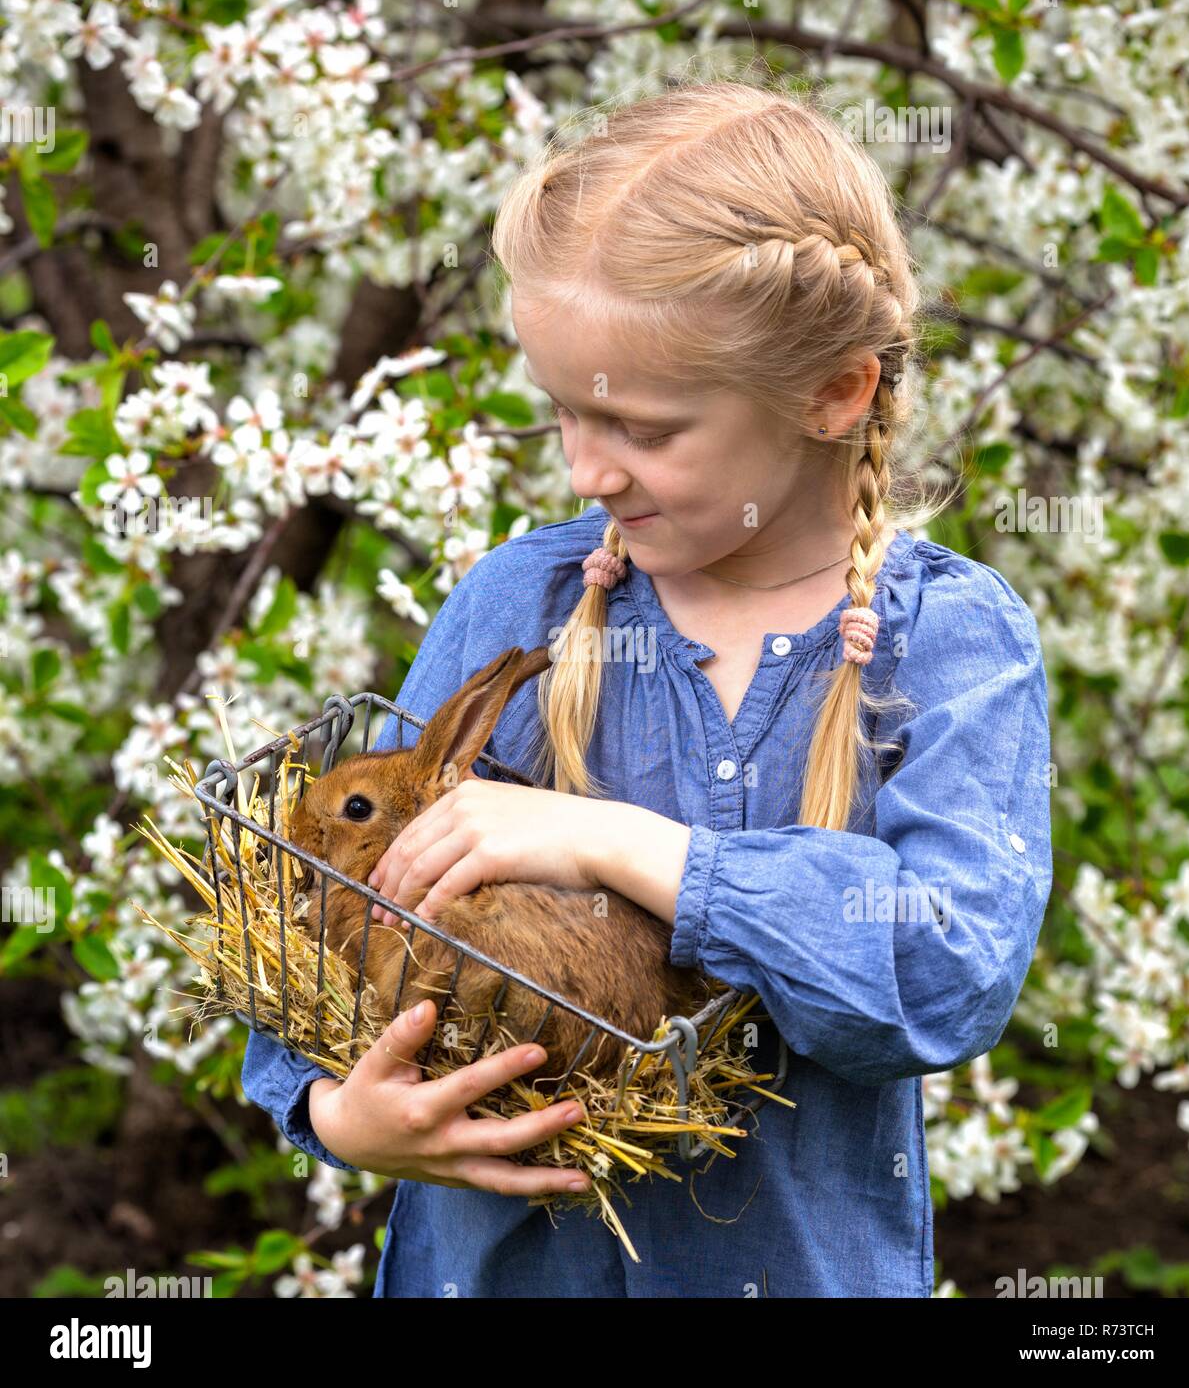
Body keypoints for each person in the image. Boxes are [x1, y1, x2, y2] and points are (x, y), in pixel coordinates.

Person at [242, 78, 1052, 1297]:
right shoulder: (521, 603)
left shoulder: (947, 644)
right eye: (562, 413)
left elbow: (945, 975)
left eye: (648, 429)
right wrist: (336, 1113)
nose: (586, 468)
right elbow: (328, 906)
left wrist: (627, 848)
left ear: (837, 391)